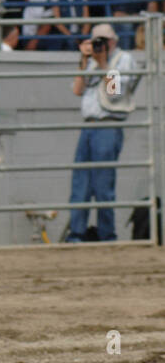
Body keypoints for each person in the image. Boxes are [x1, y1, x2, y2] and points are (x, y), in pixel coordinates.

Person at [67, 23, 140, 242]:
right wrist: (84, 60)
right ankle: (77, 234)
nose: (101, 44)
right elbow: (77, 90)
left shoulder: (123, 59)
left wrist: (103, 64)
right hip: (89, 124)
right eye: (96, 40)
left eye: (104, 40)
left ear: (114, 41)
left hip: (108, 124)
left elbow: (115, 93)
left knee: (103, 183)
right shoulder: (90, 61)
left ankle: (107, 234)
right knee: (81, 182)